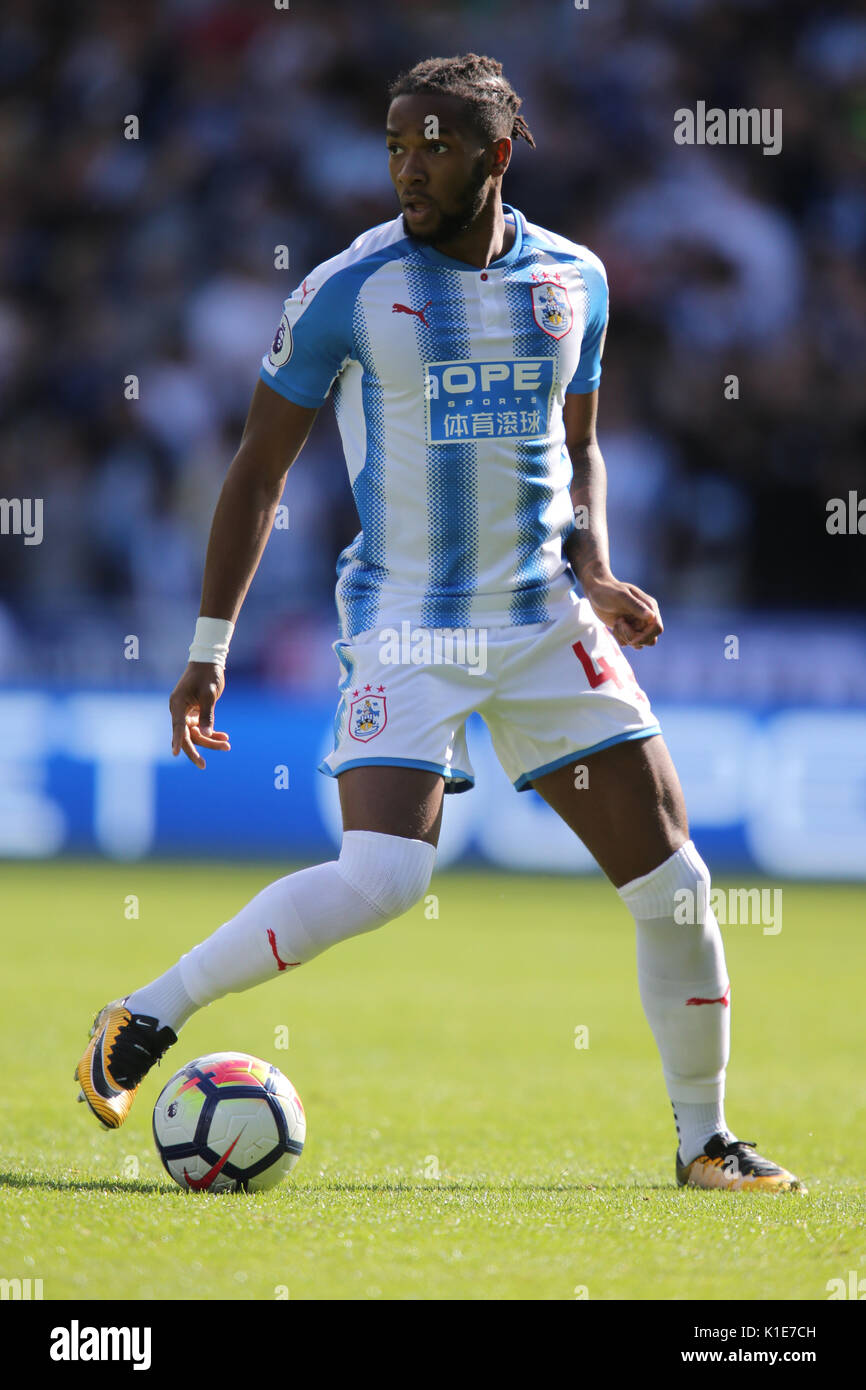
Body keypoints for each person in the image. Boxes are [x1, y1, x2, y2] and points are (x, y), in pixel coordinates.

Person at [75, 53, 802, 1194]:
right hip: (407, 625)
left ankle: (702, 1141)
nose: (409, 168)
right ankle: (148, 1013)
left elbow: (581, 448)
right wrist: (206, 652)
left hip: (543, 618)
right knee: (381, 878)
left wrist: (596, 567)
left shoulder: (575, 280)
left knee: (678, 887)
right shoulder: (347, 290)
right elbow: (258, 472)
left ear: (498, 155)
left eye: (435, 146)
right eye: (394, 147)